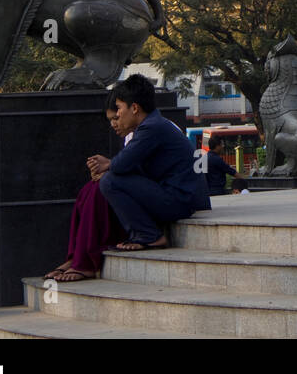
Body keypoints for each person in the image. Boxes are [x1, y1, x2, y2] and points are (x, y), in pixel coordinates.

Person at [92, 74, 211, 251]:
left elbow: (121, 165)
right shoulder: (153, 124)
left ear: (134, 108)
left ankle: (148, 235)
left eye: (118, 108)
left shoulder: (151, 127)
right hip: (179, 196)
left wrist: (107, 165)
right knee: (110, 178)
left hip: (179, 200)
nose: (117, 114)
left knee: (110, 181)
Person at [42, 100, 135, 283]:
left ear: (134, 109)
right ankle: (76, 256)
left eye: (117, 117)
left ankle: (85, 262)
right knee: (88, 190)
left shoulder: (148, 133)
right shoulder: (131, 137)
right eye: (111, 119)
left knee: (99, 190)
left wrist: (109, 170)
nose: (114, 124)